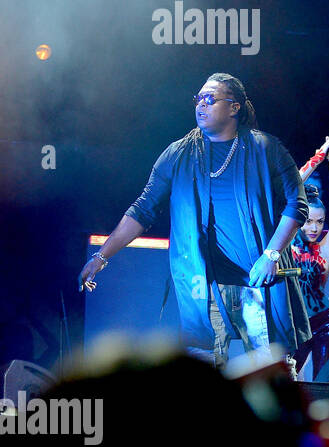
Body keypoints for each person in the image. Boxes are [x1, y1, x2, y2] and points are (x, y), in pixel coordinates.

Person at [78, 74, 311, 371]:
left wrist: (271, 254)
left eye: (210, 99)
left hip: (258, 283)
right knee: (200, 380)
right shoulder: (179, 154)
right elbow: (142, 210)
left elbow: (297, 204)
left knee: (270, 377)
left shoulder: (266, 149)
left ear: (234, 107)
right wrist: (101, 256)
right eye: (198, 99)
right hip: (204, 285)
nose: (201, 105)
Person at [291, 128, 329, 382]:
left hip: (327, 325)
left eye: (319, 222)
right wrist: (318, 157)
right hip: (294, 328)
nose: (314, 228)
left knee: (322, 393)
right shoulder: (285, 246)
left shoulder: (325, 250)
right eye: (308, 221)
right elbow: (290, 192)